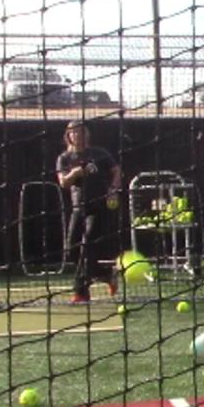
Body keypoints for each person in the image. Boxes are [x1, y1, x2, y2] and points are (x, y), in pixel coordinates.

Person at [56, 120, 123, 303]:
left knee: (88, 246)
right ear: (68, 136)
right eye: (73, 132)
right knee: (72, 249)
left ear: (86, 134)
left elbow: (116, 171)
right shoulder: (64, 158)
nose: (77, 135)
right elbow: (63, 182)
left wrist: (113, 189)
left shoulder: (99, 154)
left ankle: (81, 292)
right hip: (79, 207)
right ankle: (106, 274)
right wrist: (75, 173)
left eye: (80, 132)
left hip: (100, 206)